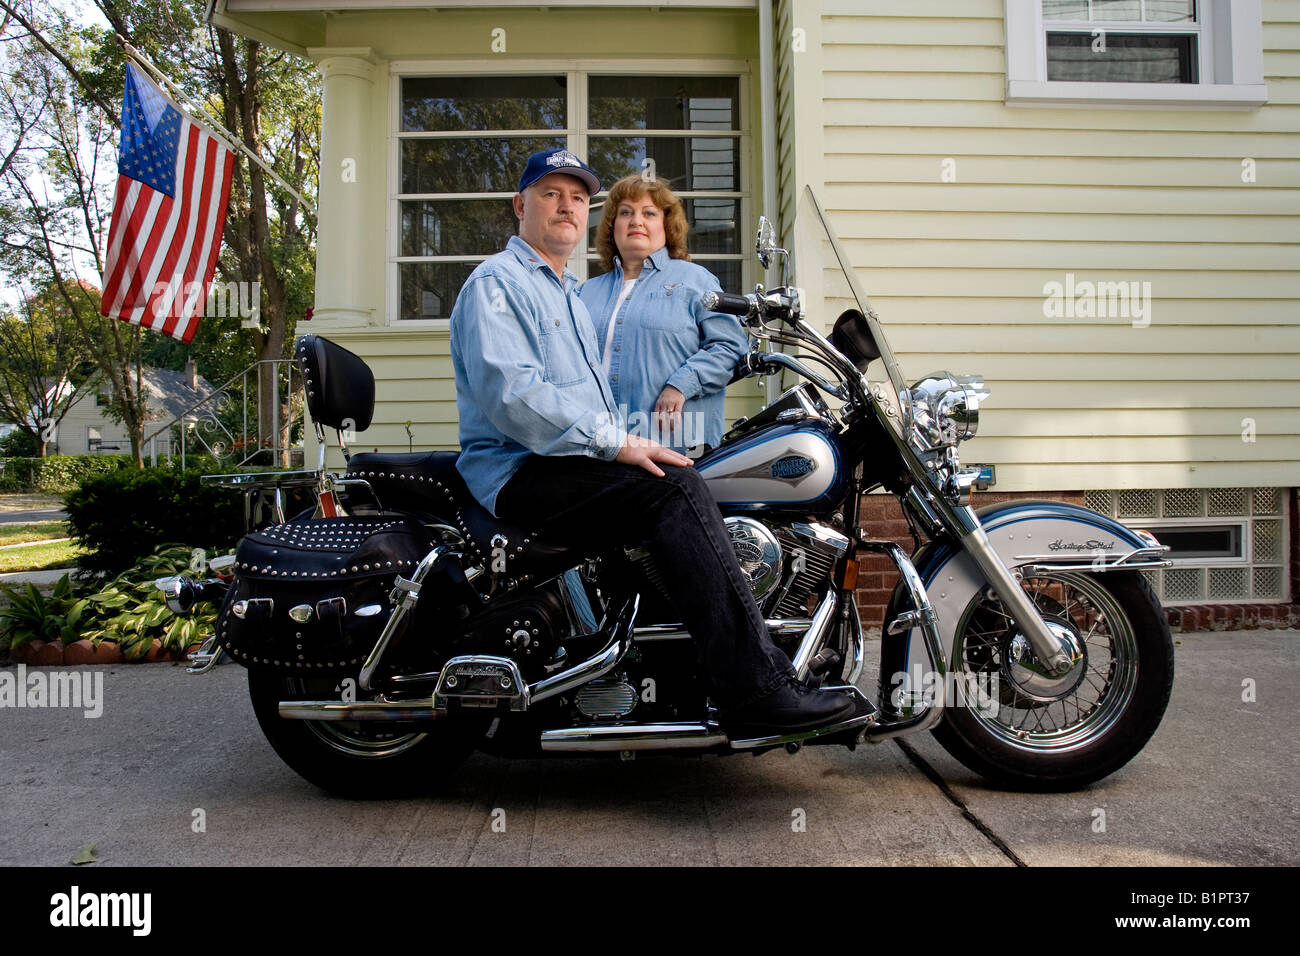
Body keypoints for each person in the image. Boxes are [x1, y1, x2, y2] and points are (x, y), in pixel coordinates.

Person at [448, 147, 853, 736]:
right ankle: (756, 690)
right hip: (521, 469)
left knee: (671, 485)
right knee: (674, 489)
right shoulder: (500, 283)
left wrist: (624, 436)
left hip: (562, 458)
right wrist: (617, 443)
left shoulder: (564, 290)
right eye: (550, 194)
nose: (567, 206)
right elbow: (513, 393)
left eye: (578, 197)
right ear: (520, 205)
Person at [578, 175, 746, 455]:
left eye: (649, 213)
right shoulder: (584, 294)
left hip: (676, 450)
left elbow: (731, 346)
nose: (636, 221)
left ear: (666, 226)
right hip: (601, 452)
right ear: (612, 226)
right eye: (625, 213)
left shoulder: (695, 281)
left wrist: (681, 384)